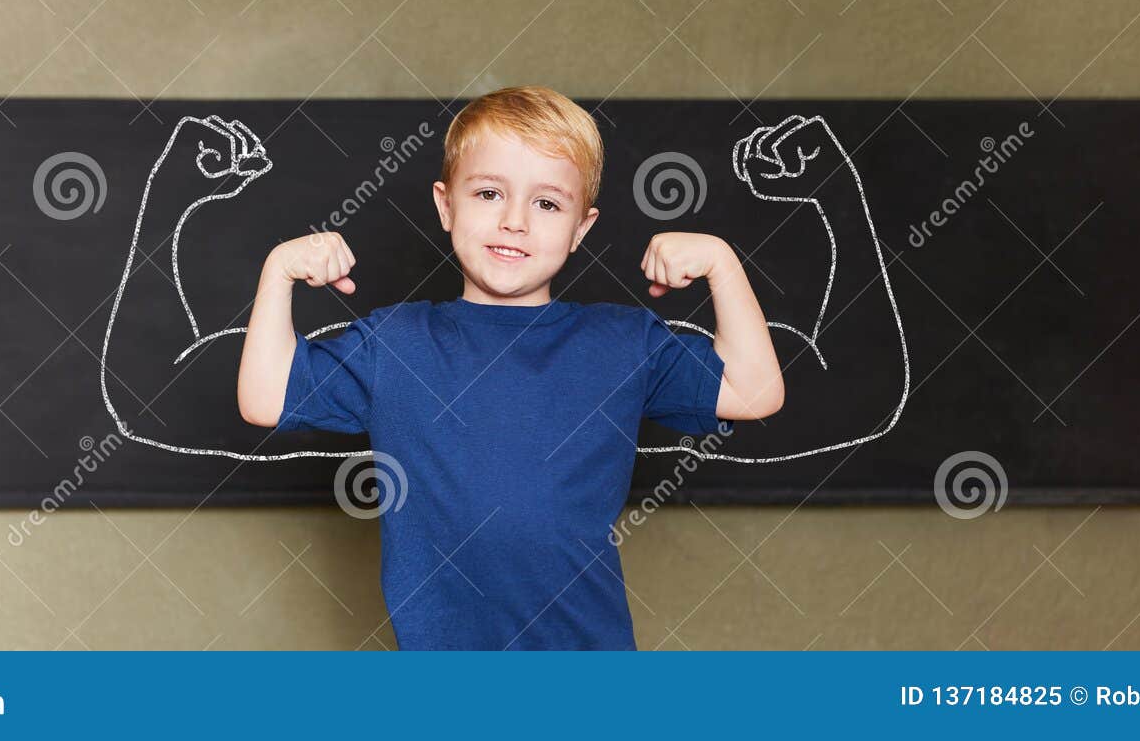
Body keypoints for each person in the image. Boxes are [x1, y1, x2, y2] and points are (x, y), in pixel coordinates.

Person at [236, 85, 784, 650]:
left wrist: (723, 264)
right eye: (490, 193)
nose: (514, 221)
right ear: (446, 206)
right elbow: (265, 396)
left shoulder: (621, 341)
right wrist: (278, 273)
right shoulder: (394, 343)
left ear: (581, 228)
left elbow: (755, 391)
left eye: (547, 203)